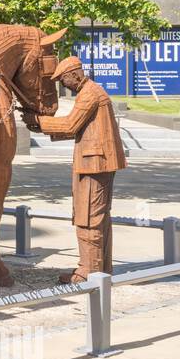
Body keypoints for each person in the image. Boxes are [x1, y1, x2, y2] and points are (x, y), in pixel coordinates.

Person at [24, 57, 127, 283]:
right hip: (94, 162)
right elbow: (74, 128)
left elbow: (71, 124)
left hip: (94, 163)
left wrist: (39, 121)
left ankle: (89, 271)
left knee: (88, 217)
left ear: (75, 74)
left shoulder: (90, 94)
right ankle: (99, 268)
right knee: (96, 217)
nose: (64, 85)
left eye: (63, 80)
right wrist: (41, 126)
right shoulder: (92, 91)